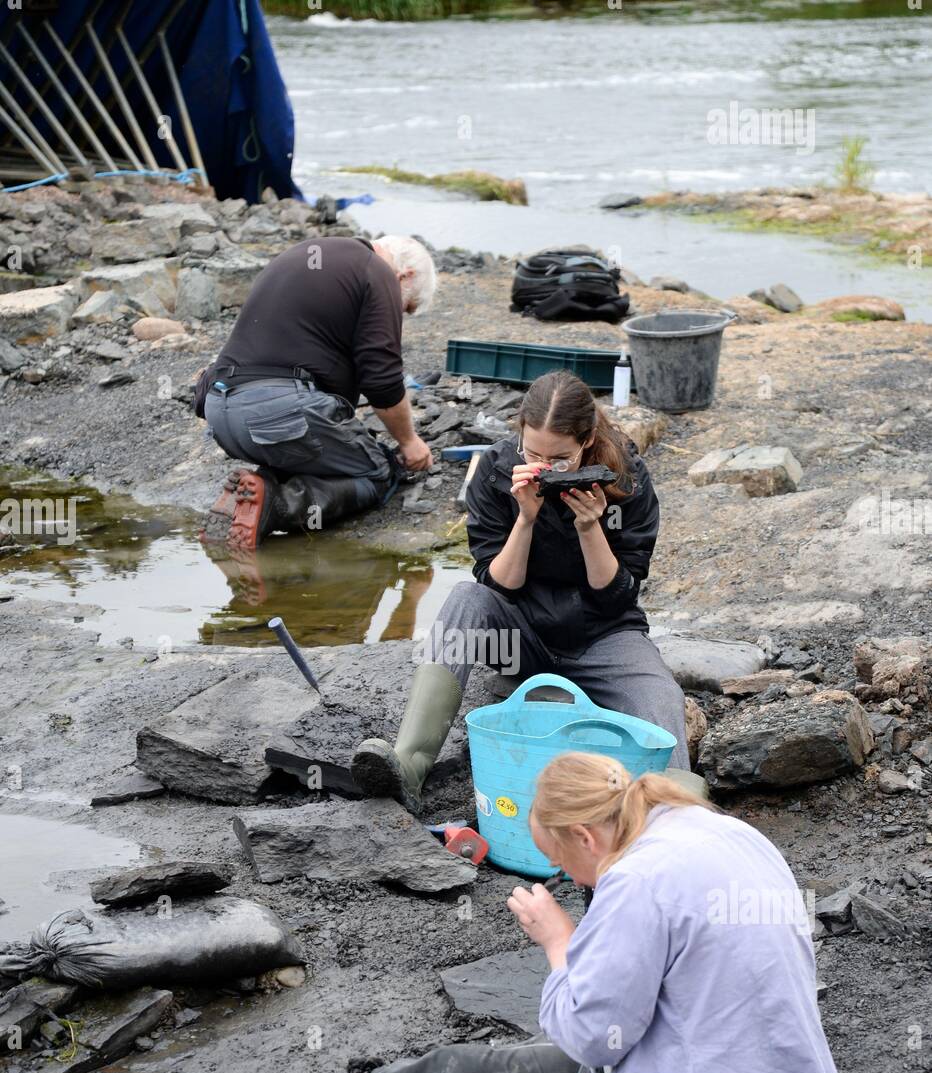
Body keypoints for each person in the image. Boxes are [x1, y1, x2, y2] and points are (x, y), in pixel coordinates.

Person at [136, 753, 851, 1073]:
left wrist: (559, 943)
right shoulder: (704, 827)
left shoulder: (638, 878)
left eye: (562, 863)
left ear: (584, 836)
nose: (568, 880)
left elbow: (594, 1035)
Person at [351, 369, 700, 814]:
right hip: (520, 640)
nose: (544, 468)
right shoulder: (496, 472)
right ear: (519, 434)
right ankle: (409, 765)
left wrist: (591, 526)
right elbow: (498, 585)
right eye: (532, 453)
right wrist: (526, 518)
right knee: (464, 598)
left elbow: (617, 597)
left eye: (560, 460)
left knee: (662, 697)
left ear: (588, 440)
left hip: (604, 637)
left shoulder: (627, 479)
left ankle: (681, 814)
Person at [195, 234, 437, 549]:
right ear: (405, 276)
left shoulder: (300, 255)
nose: (397, 314)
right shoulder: (377, 271)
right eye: (405, 307)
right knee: (378, 470)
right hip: (279, 414)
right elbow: (382, 378)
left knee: (311, 451)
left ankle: (250, 494)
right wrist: (409, 442)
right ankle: (277, 506)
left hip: (220, 412)